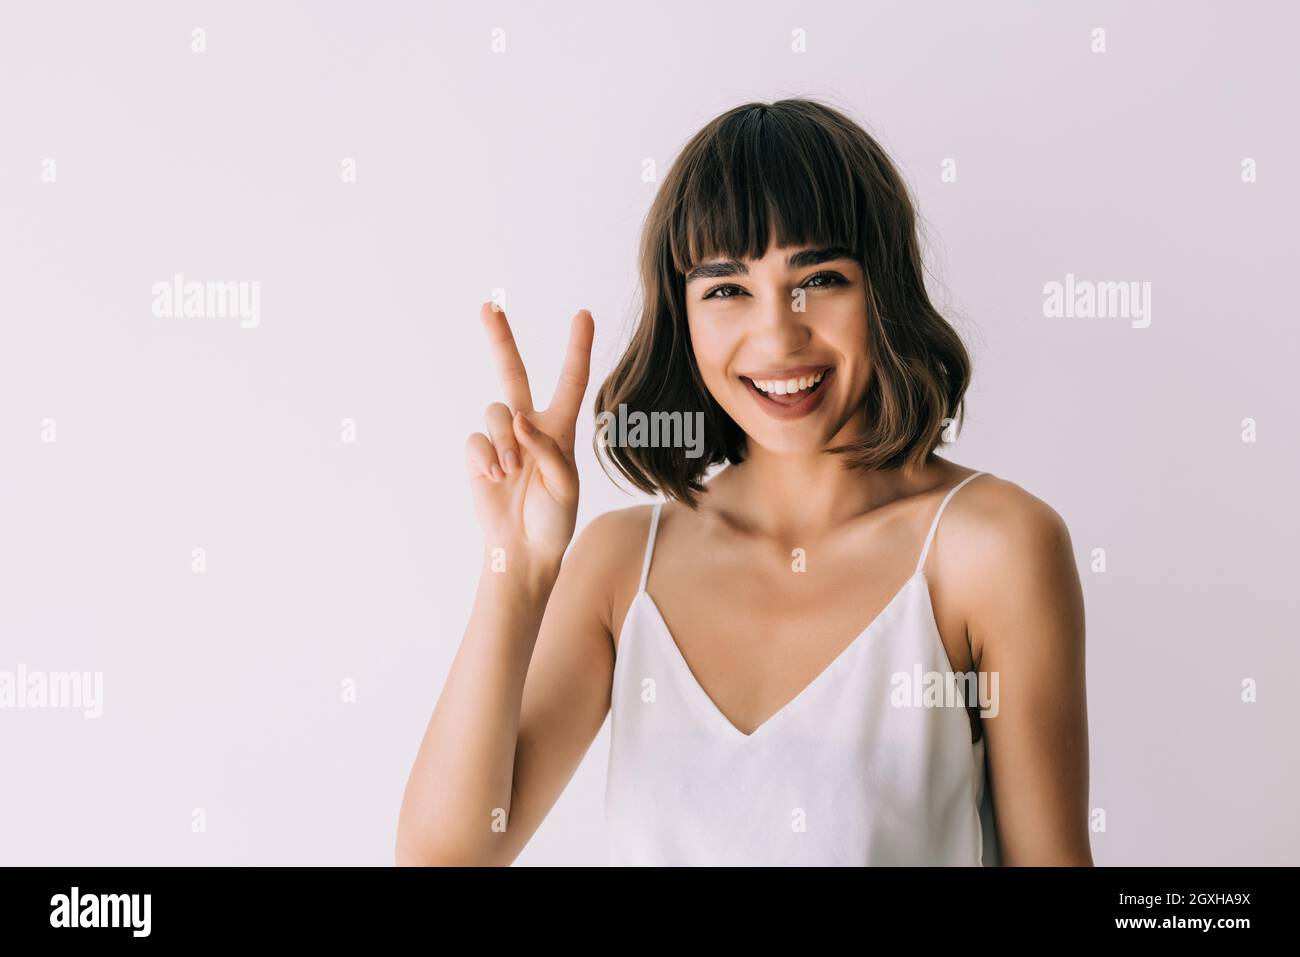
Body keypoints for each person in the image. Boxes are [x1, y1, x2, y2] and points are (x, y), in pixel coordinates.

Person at [396, 98, 1092, 866]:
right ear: (683, 317)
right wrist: (519, 572)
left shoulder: (991, 548)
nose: (778, 334)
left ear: (883, 288)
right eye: (726, 288)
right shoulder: (620, 565)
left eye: (820, 277)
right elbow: (446, 858)